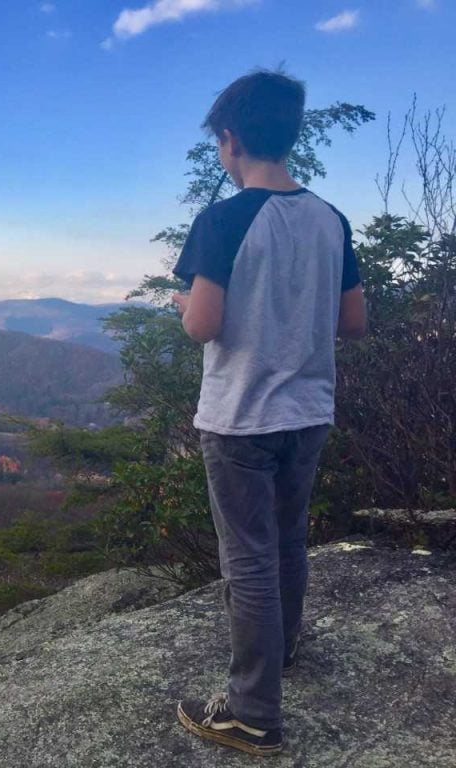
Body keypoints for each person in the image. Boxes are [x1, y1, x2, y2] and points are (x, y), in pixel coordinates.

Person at [169, 69, 368, 756]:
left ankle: (252, 711)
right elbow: (354, 321)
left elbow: (203, 325)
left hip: (239, 416)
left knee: (248, 560)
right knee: (287, 542)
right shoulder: (331, 219)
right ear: (289, 136)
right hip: (308, 410)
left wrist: (179, 303)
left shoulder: (222, 219)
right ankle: (279, 655)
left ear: (230, 142)